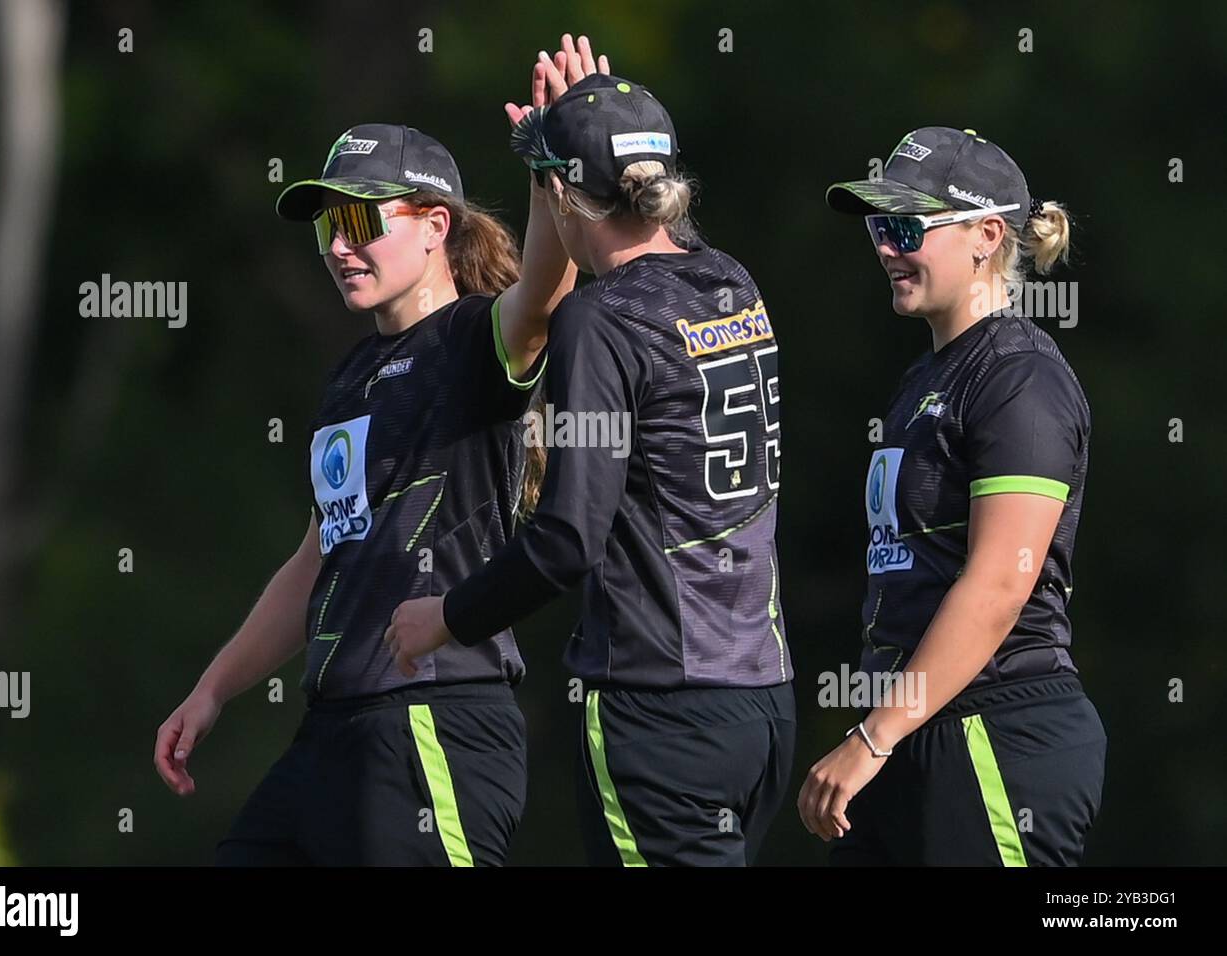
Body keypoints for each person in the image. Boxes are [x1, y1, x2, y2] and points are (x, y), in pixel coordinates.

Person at [152, 44, 593, 864]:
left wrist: (553, 161)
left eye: (358, 220)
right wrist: (213, 689)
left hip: (433, 721)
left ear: (434, 226)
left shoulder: (472, 338)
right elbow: (320, 553)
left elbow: (545, 290)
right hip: (331, 729)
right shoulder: (350, 375)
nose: (336, 246)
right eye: (327, 224)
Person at [385, 67, 795, 866]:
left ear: (565, 198)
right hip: (763, 704)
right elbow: (646, 235)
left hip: (661, 707)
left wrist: (448, 616)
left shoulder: (599, 321)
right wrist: (587, 131)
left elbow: (567, 538)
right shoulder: (730, 280)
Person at [798, 127, 1106, 866]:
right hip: (915, 729)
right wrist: (881, 731)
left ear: (985, 236)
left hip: (996, 729)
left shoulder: (1019, 376)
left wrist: (874, 736)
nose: (885, 248)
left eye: (907, 227)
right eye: (879, 226)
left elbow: (1001, 580)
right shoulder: (927, 377)